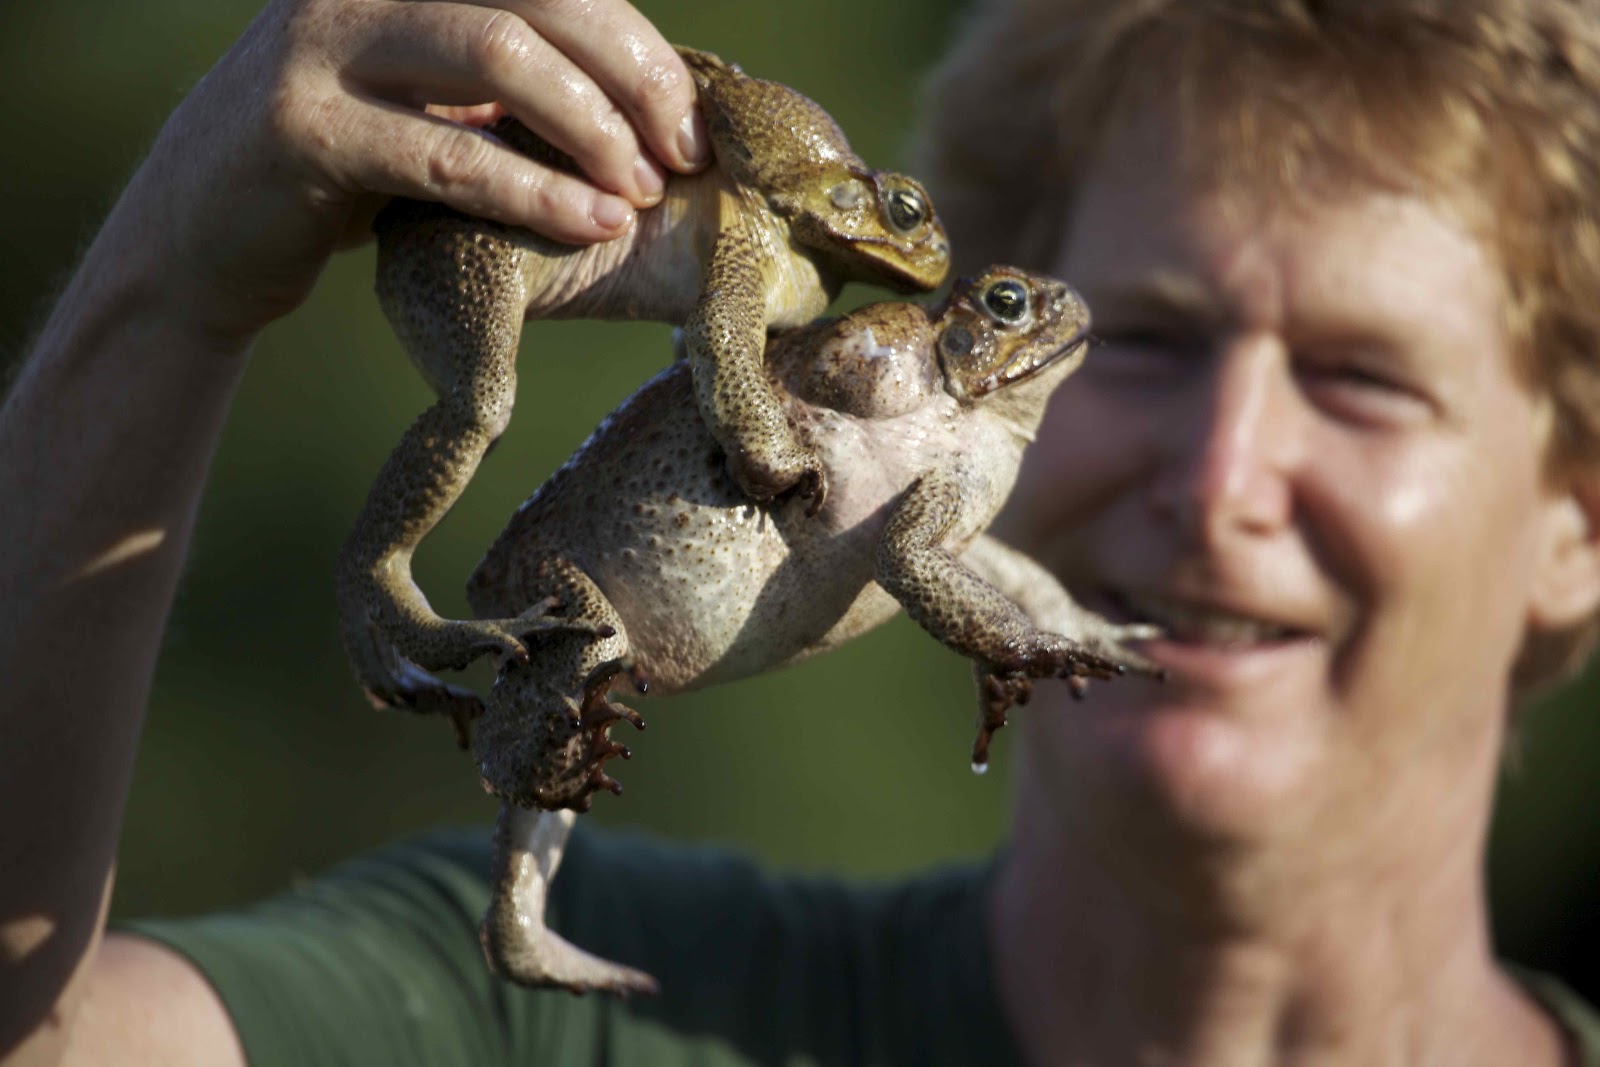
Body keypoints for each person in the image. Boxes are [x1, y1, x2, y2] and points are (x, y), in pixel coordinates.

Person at [4, 0, 1600, 1063]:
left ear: (1579, 527)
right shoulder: (547, 1009)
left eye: (1362, 379)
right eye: (1158, 343)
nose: (1221, 470)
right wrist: (172, 287)